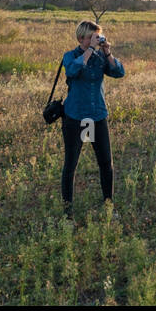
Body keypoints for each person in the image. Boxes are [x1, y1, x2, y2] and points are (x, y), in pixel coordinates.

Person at [60, 19, 125, 216]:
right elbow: (72, 70)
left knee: (106, 163)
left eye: (97, 36)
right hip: (75, 116)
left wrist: (107, 52)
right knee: (71, 164)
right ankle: (67, 211)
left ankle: (108, 205)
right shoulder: (70, 56)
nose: (96, 40)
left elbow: (118, 72)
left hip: (97, 115)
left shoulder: (99, 57)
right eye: (91, 37)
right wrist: (89, 51)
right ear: (81, 38)